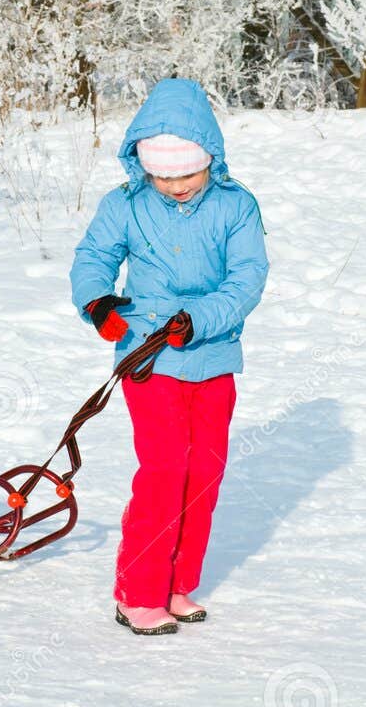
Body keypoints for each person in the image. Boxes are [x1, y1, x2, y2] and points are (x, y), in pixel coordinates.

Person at [69, 78, 269, 635]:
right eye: (163, 174)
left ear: (211, 158)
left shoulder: (236, 205)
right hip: (149, 358)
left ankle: (178, 583)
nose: (176, 185)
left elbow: (248, 277)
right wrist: (98, 301)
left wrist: (201, 319)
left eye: (186, 172)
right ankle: (139, 589)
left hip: (214, 356)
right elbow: (93, 259)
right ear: (143, 165)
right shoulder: (125, 205)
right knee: (164, 471)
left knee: (203, 473)